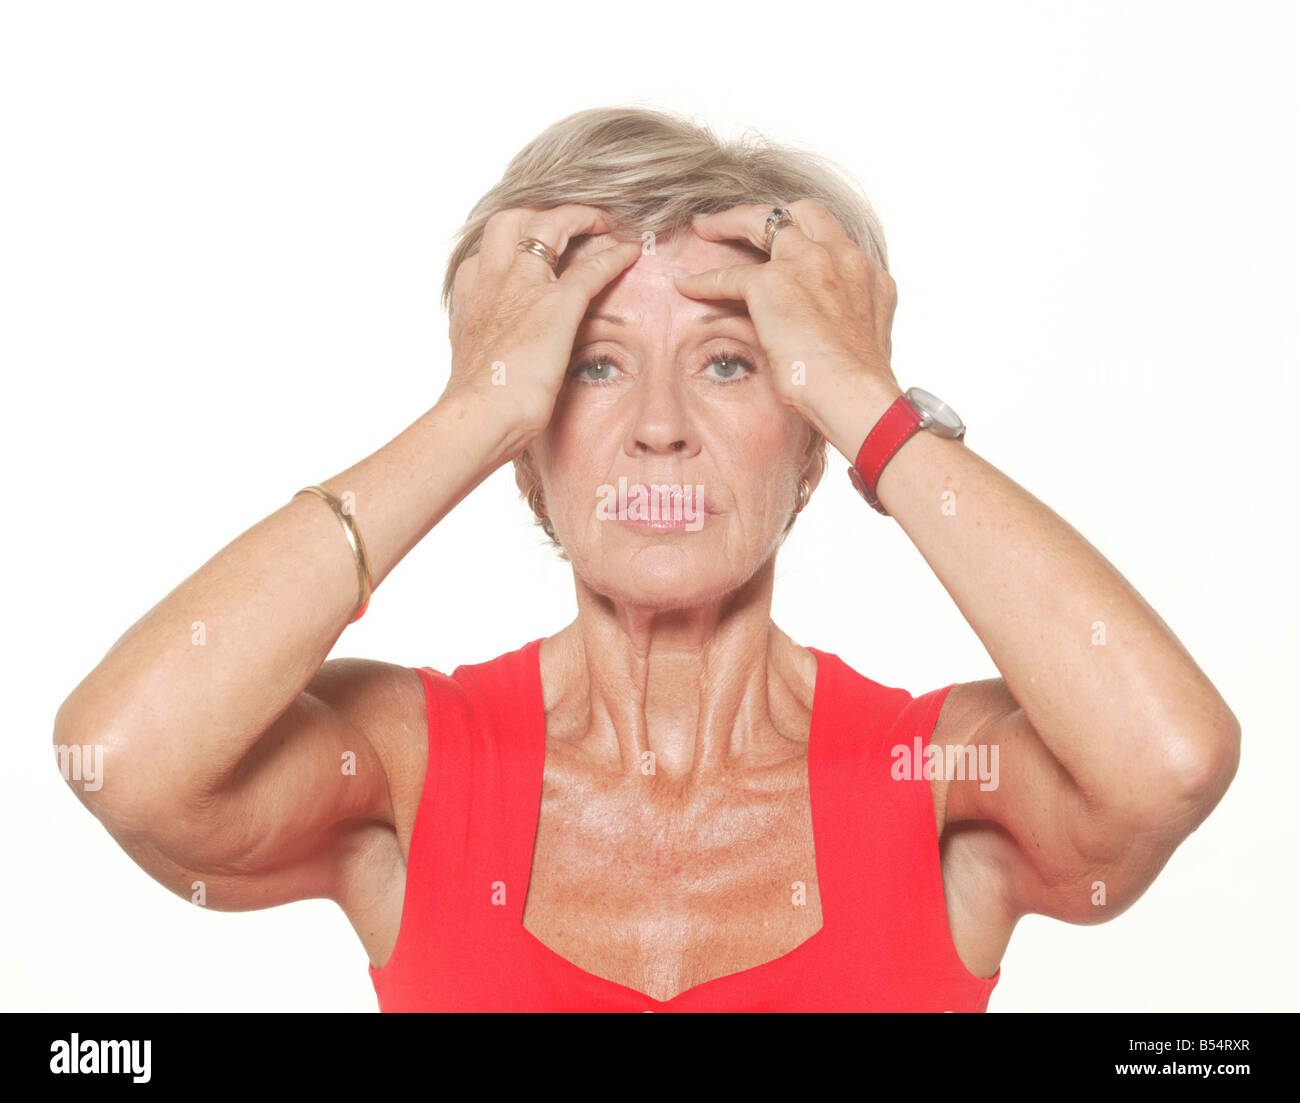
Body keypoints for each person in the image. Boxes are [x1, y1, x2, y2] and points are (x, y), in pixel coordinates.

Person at [53, 106, 1240, 1011]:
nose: (658, 424)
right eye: (594, 365)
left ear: (814, 450)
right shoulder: (410, 768)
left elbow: (1168, 758)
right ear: (529, 447)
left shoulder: (932, 779)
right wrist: (477, 405)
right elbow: (127, 756)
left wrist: (867, 401)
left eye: (729, 364)